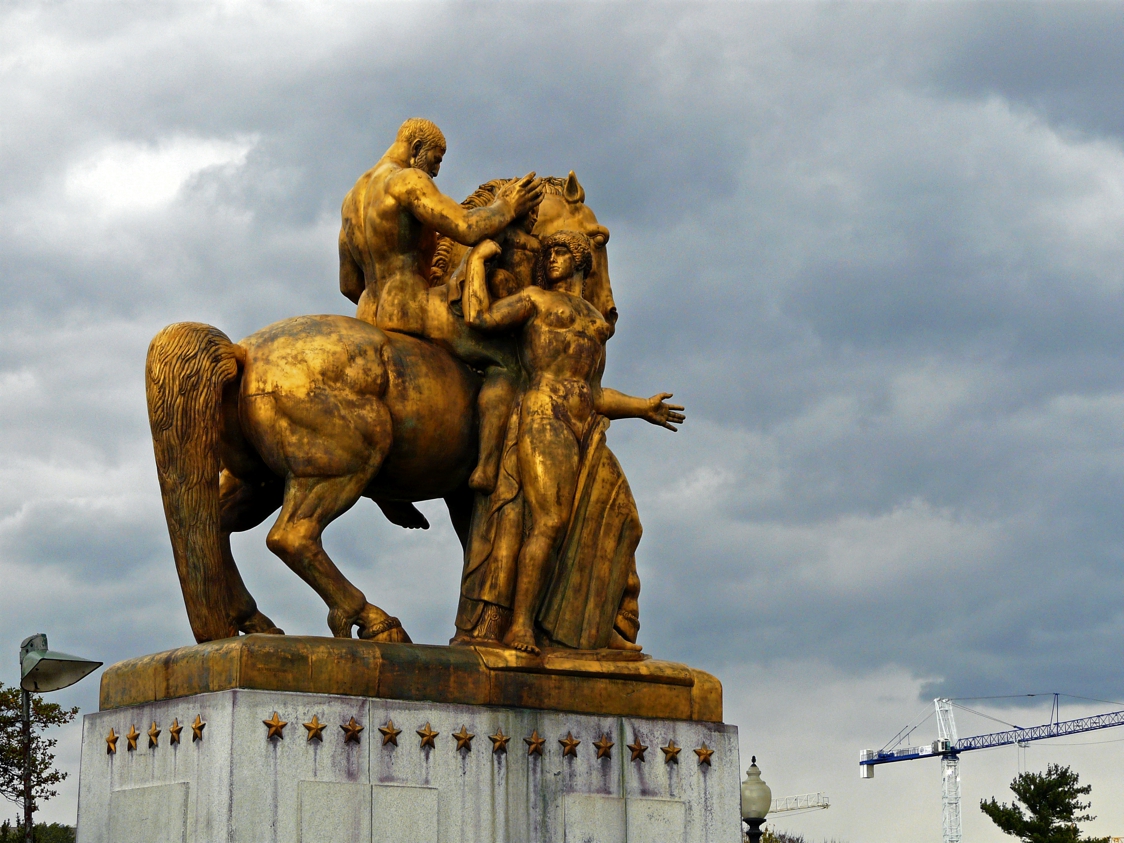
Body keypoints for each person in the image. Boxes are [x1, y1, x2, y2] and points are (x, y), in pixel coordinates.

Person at [459, 231, 684, 654]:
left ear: (582, 261)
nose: (553, 260)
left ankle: (594, 627)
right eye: (550, 253)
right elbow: (481, 320)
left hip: (586, 423)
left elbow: (595, 393)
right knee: (550, 521)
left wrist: (641, 407)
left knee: (625, 518)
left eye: (562, 252)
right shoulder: (535, 300)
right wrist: (476, 263)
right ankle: (522, 627)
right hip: (544, 413)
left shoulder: (595, 322)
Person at [338, 119, 543, 493]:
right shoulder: (407, 181)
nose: (436, 168)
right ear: (416, 146)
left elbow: (348, 284)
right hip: (413, 306)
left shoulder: (353, 197)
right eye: (436, 158)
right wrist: (507, 206)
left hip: (369, 313)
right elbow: (464, 227)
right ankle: (486, 467)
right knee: (509, 363)